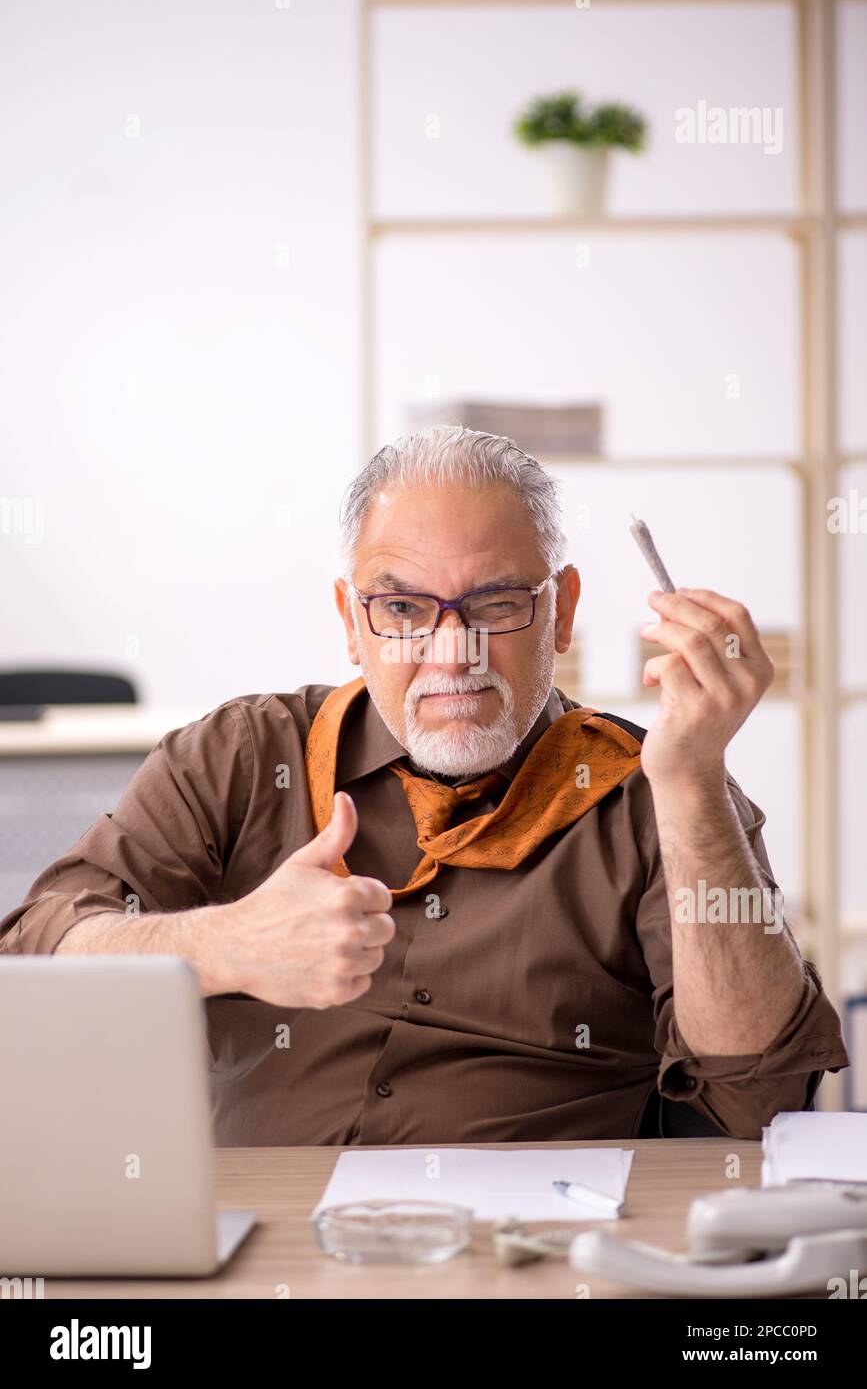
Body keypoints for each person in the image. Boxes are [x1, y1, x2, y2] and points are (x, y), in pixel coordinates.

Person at [0, 425, 849, 1145]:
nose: (452, 655)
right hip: (260, 1249)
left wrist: (695, 782)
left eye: (494, 604)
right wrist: (223, 947)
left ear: (560, 612)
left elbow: (758, 1101)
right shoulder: (241, 754)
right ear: (349, 620)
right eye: (402, 609)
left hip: (529, 1257)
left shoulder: (654, 789)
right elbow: (33, 947)